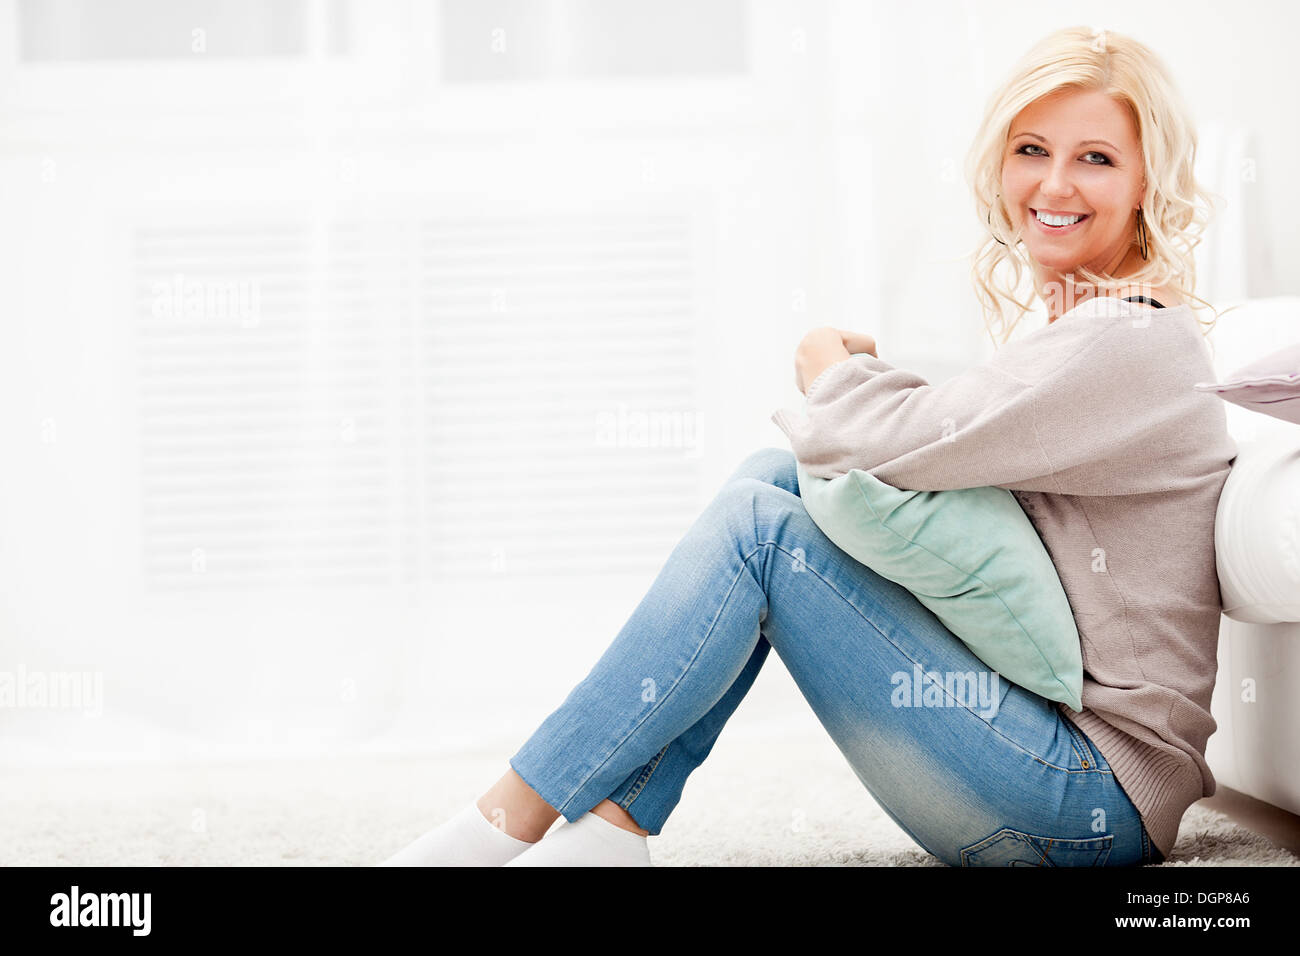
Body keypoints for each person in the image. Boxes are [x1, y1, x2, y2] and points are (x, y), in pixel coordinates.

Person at [379, 25, 1234, 867]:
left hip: (1087, 800)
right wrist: (859, 401)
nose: (1053, 183)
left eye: (1095, 158)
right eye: (1031, 148)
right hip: (1050, 764)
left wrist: (826, 367)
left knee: (761, 528)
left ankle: (503, 821)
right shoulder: (1095, 330)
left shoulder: (1127, 341)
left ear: (1147, 179)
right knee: (774, 481)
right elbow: (922, 440)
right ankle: (609, 830)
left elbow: (892, 439)